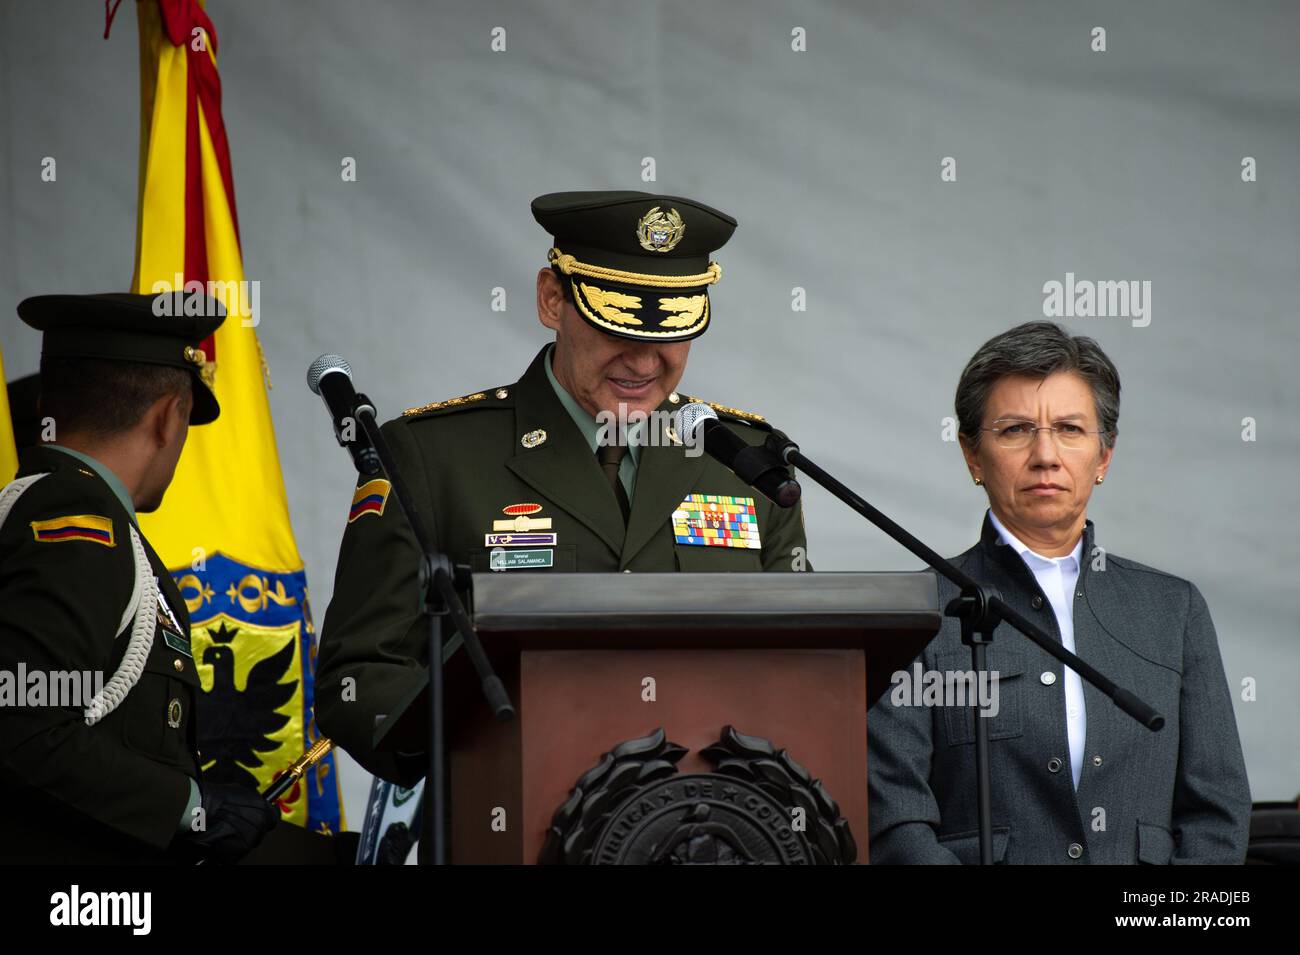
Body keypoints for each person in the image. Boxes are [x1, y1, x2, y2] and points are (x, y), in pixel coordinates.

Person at [317, 190, 810, 784]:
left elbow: (805, 667)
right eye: (619, 326)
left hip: (715, 825)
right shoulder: (429, 455)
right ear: (552, 300)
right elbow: (357, 676)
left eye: (671, 331)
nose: (645, 360)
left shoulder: (748, 463)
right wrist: (490, 736)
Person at [867, 320, 1250, 864]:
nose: (1045, 455)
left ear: (1105, 457)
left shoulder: (1174, 611)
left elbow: (1217, 814)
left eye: (1070, 429)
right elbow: (893, 815)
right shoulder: (914, 610)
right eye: (1016, 429)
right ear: (973, 456)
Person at [0, 292, 280, 864]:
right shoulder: (78, 526)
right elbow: (22, 724)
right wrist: (189, 804)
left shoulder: (50, 510)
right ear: (168, 415)